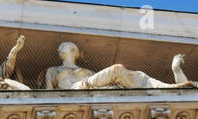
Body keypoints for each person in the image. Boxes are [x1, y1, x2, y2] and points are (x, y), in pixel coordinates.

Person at [43, 42, 194, 90]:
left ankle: (167, 88)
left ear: (74, 51)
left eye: (66, 46)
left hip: (89, 88)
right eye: (61, 47)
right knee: (117, 69)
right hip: (71, 91)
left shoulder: (87, 71)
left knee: (138, 75)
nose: (60, 48)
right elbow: (48, 93)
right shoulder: (52, 70)